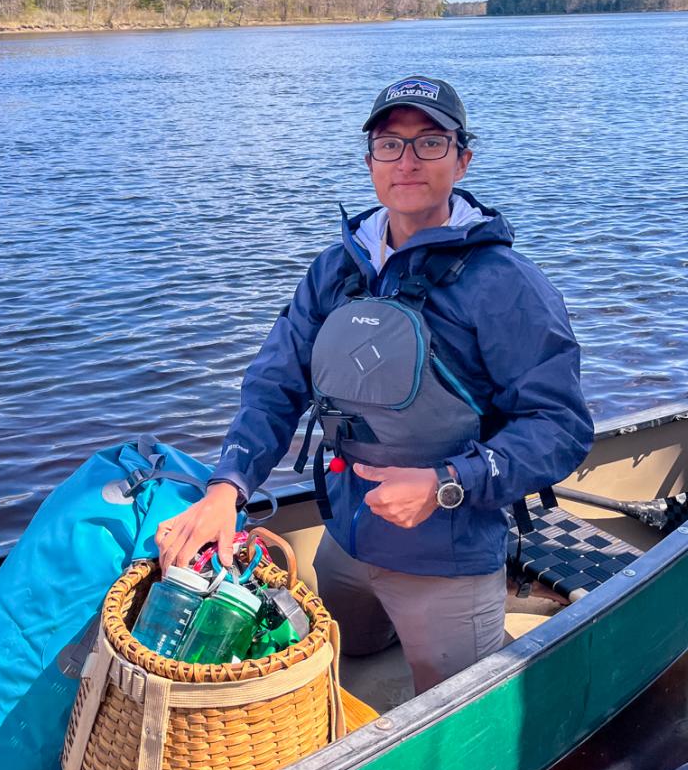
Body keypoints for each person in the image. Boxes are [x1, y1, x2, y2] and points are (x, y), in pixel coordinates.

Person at [157, 75, 594, 693]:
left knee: (450, 714)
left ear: (462, 158)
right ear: (369, 163)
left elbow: (561, 428)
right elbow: (275, 384)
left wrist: (446, 485)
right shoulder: (336, 269)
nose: (408, 161)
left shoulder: (507, 285)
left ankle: (495, 625)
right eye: (390, 145)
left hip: (448, 552)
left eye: (430, 143)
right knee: (347, 651)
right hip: (349, 537)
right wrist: (228, 485)